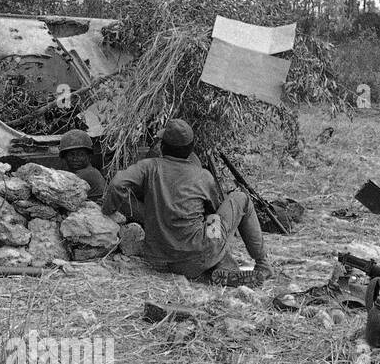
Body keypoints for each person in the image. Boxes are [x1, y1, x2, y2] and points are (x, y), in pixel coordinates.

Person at [102, 118, 272, 287]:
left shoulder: (149, 166)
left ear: (162, 147)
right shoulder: (203, 176)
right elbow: (213, 214)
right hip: (198, 255)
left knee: (211, 231)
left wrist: (108, 210)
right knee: (238, 201)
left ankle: (223, 268)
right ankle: (262, 265)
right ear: (191, 150)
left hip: (166, 261)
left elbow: (117, 184)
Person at [57, 129, 106, 203]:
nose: (75, 158)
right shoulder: (87, 171)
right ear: (65, 157)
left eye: (81, 154)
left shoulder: (88, 173)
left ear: (89, 156)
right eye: (71, 154)